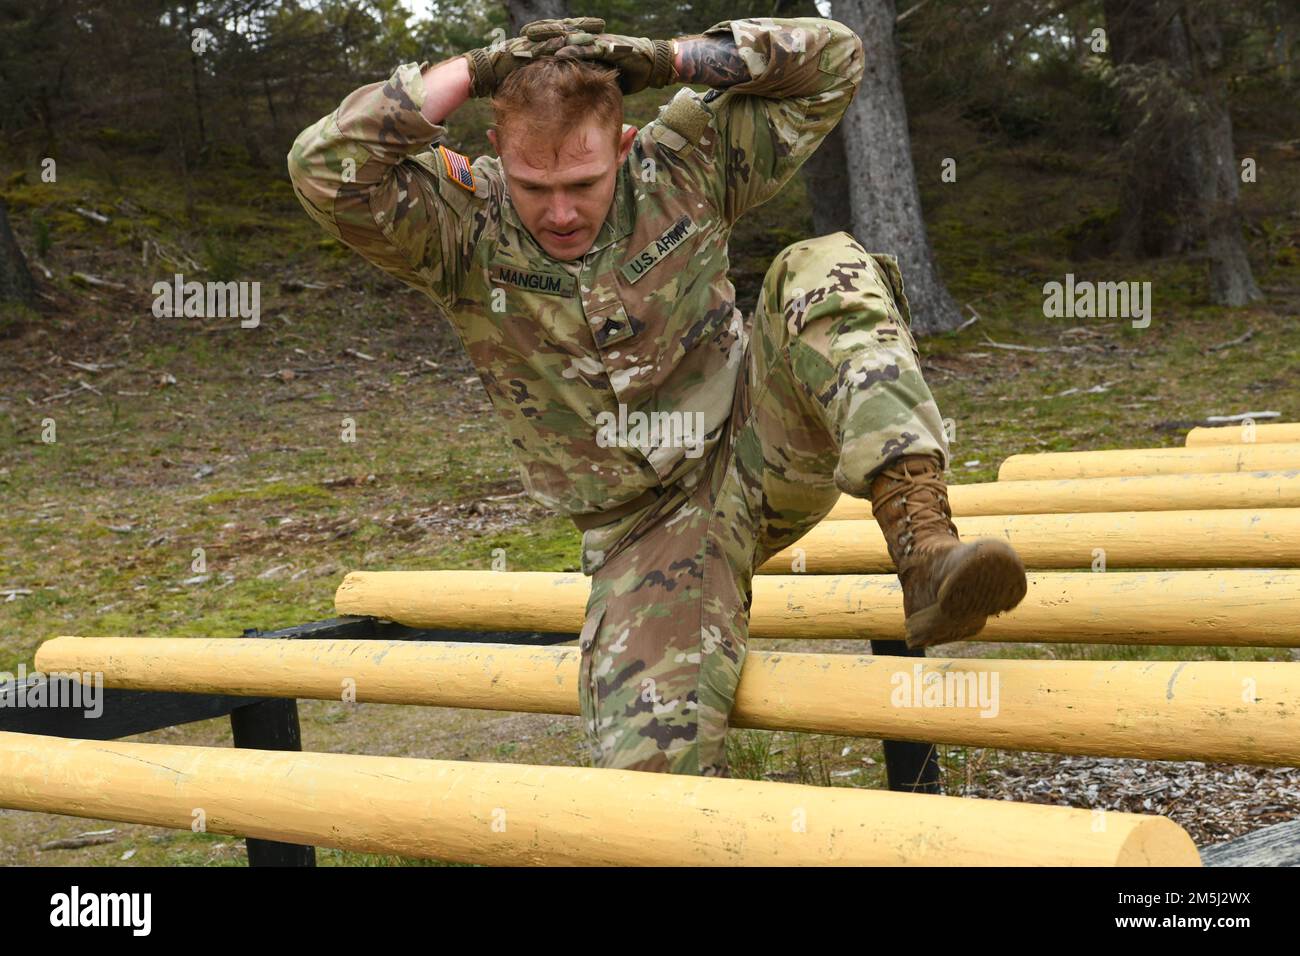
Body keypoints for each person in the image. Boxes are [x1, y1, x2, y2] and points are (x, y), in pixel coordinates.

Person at [288, 16, 1028, 777]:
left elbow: (836, 58)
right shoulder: (462, 227)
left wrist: (675, 58)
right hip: (643, 537)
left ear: (622, 144)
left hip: (755, 445)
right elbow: (321, 166)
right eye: (536, 188)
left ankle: (924, 546)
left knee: (825, 265)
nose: (562, 212)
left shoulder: (680, 165)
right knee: (649, 792)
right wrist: (474, 72)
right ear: (499, 158)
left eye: (582, 183)